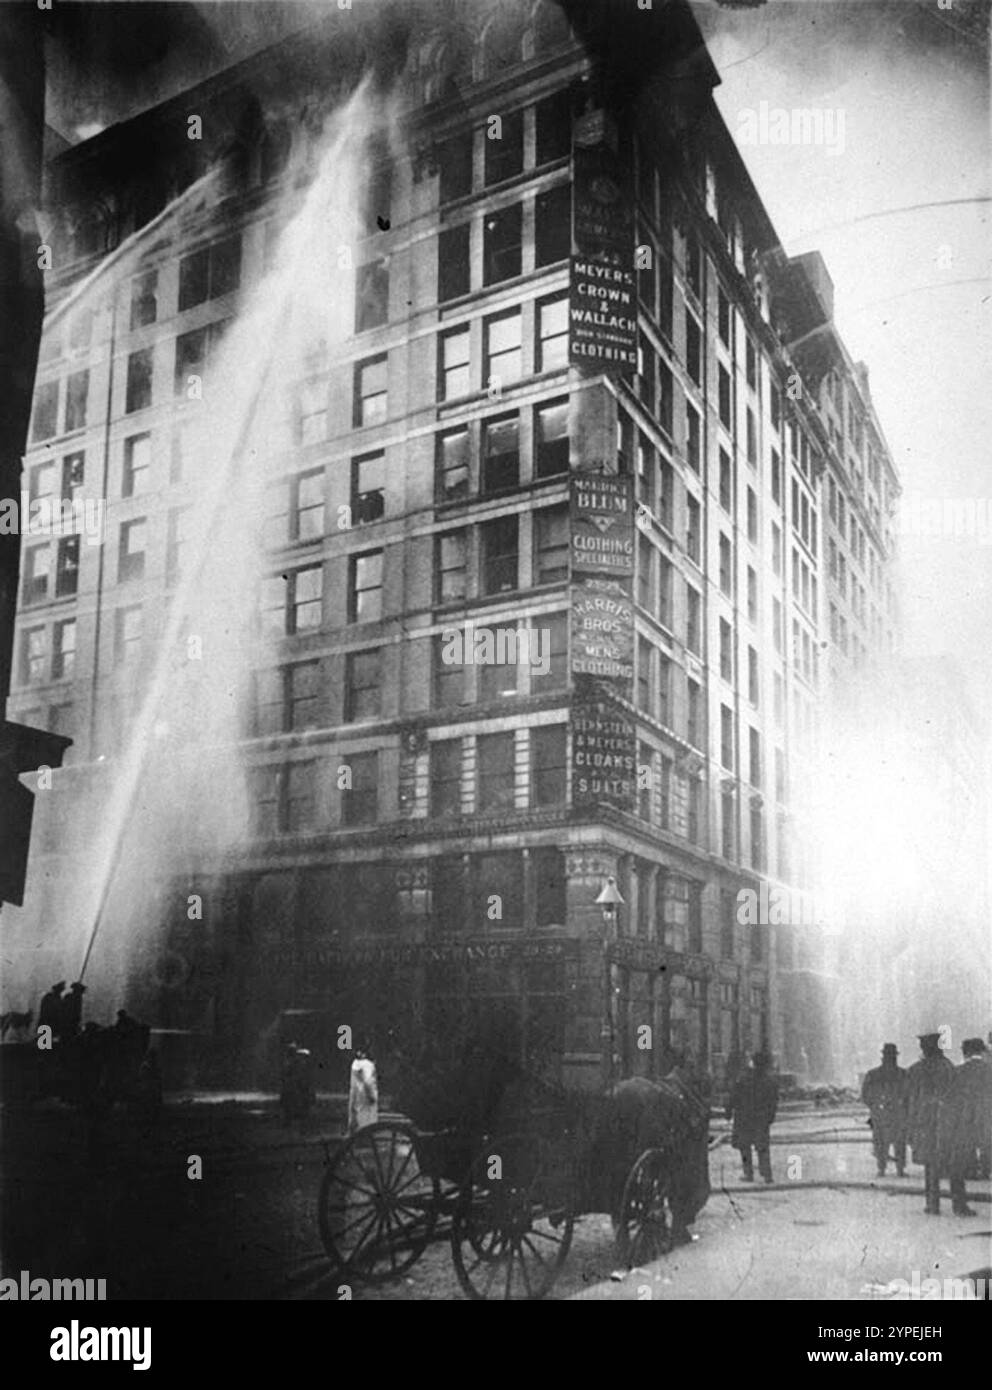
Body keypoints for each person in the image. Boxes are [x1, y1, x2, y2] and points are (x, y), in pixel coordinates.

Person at [905, 1030, 955, 1214]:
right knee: (952, 1162)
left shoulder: (915, 1070)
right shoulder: (948, 1066)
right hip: (946, 1120)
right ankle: (958, 1203)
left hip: (923, 1123)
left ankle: (932, 1203)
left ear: (924, 1048)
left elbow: (908, 1099)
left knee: (930, 1164)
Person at [941, 1038, 992, 1213]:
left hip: (964, 1124)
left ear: (965, 1053)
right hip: (988, 1123)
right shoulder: (989, 1070)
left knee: (958, 1166)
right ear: (982, 1051)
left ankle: (959, 1205)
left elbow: (948, 1101)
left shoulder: (956, 1072)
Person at [726, 1050, 779, 1183]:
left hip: (744, 1117)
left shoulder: (743, 1078)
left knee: (744, 1146)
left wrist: (728, 1111)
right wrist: (771, 1116)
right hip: (761, 1118)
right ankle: (767, 1174)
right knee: (762, 1146)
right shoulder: (770, 1081)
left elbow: (733, 1096)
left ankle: (748, 1173)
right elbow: (774, 1101)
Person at [861, 1043, 908, 1177]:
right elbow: (866, 1095)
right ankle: (897, 1169)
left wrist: (876, 1106)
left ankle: (884, 1169)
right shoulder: (902, 1074)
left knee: (883, 1142)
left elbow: (865, 1095)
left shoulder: (874, 1074)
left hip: (882, 1114)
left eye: (891, 1056)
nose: (891, 1059)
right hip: (896, 1114)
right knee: (896, 1143)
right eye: (890, 1056)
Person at [348, 1047, 378, 1135]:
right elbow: (368, 1081)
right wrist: (371, 1095)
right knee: (366, 1121)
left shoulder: (355, 1064)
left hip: (356, 1094)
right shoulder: (368, 1065)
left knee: (355, 1119)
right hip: (365, 1097)